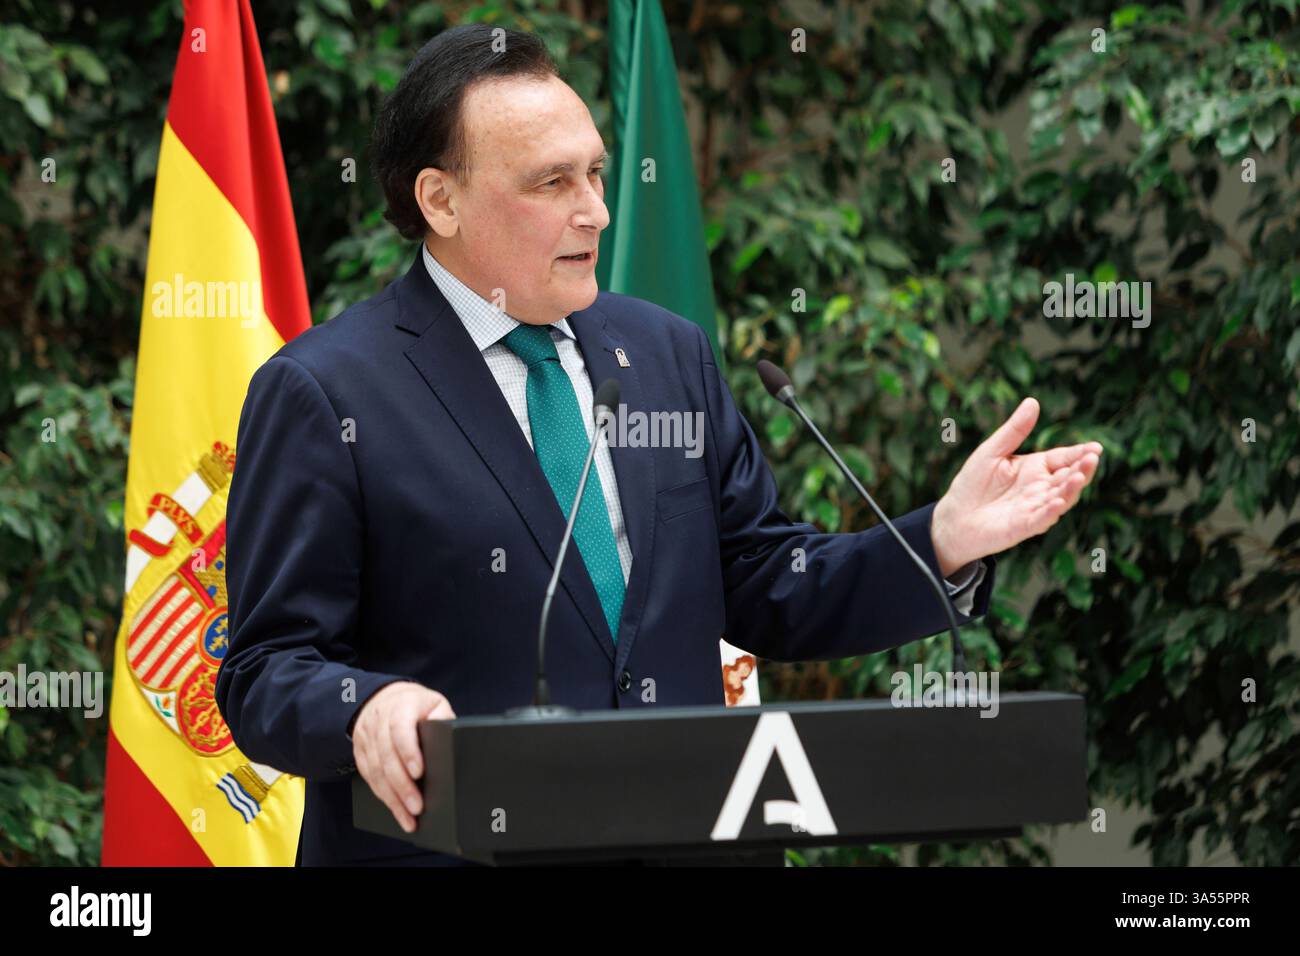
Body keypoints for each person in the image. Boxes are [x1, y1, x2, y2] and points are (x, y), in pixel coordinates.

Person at [215, 24, 1102, 866]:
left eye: (596, 174)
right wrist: (368, 706)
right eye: (551, 183)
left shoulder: (666, 353)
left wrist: (944, 540)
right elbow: (264, 670)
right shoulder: (327, 391)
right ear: (439, 199)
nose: (596, 210)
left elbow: (763, 582)